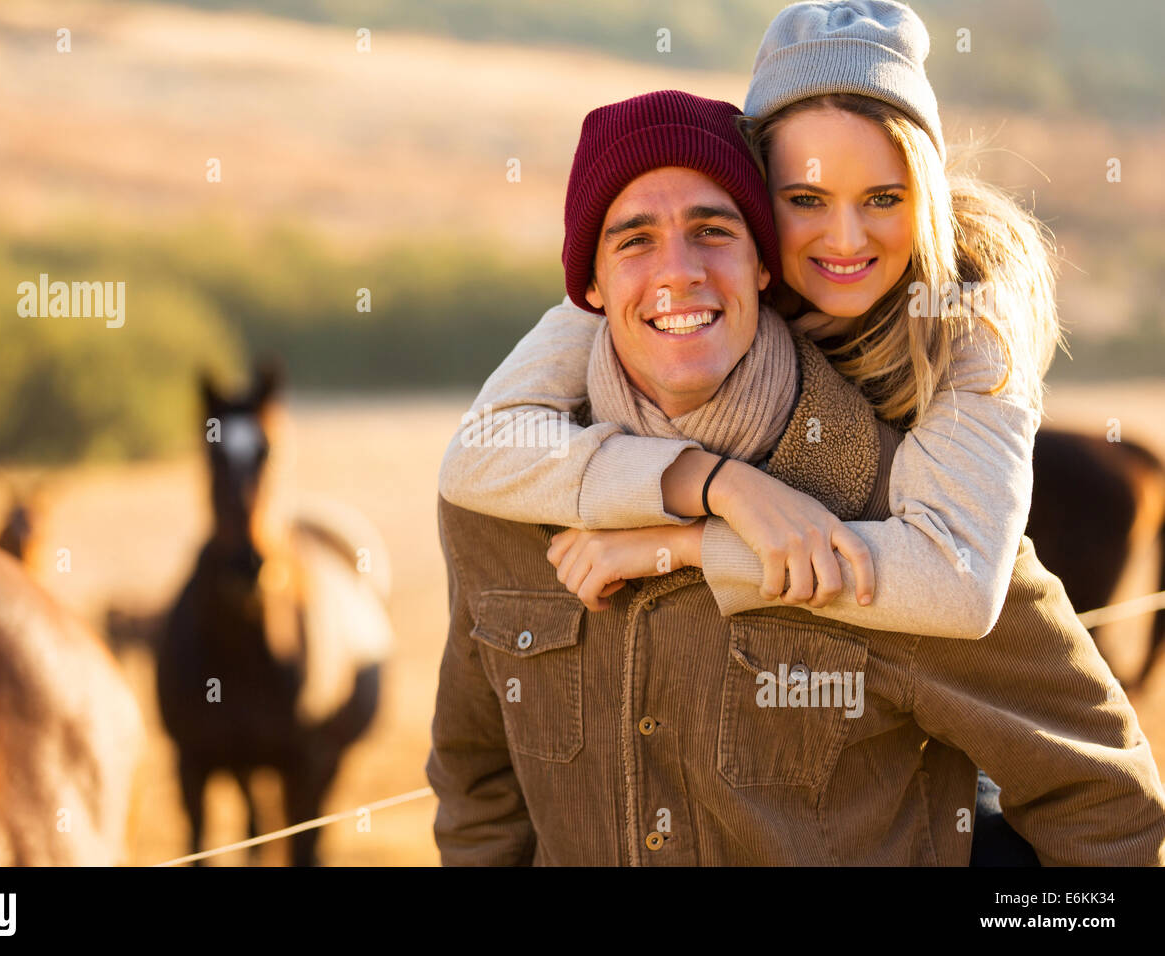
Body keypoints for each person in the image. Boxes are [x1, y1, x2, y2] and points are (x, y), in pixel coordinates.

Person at [426, 89, 1165, 865]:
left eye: (712, 231)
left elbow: (1106, 804)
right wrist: (718, 489)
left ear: (764, 266)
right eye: (634, 241)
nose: (678, 273)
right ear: (590, 290)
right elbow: (478, 791)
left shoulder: (906, 513)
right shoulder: (497, 507)